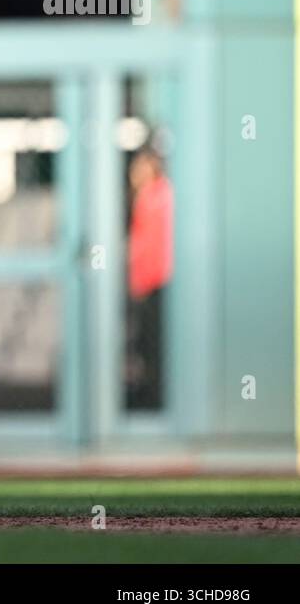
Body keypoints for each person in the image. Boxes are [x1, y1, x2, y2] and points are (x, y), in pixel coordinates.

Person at [126, 144, 173, 410]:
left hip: (156, 282)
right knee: (145, 344)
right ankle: (151, 394)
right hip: (148, 281)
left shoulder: (158, 196)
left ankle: (157, 398)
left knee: (154, 344)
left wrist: (144, 280)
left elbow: (154, 246)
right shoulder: (147, 196)